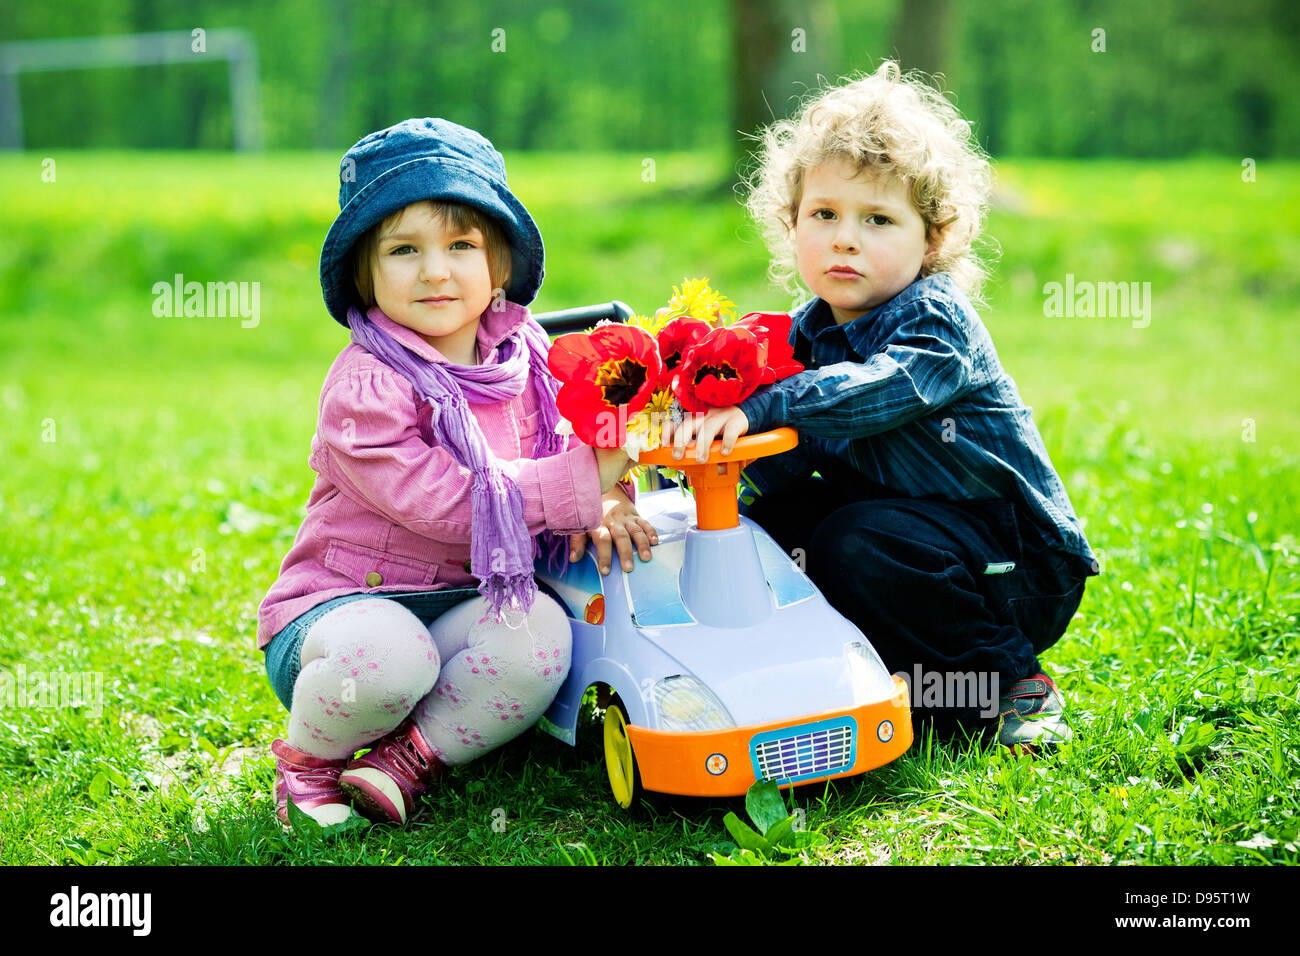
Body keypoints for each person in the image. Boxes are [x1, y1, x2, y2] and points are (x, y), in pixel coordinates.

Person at [668, 62, 1099, 749]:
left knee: (858, 541)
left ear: (932, 239)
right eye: (825, 215)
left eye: (878, 219)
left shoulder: (936, 319)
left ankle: (1010, 682)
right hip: (908, 533)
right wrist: (709, 450)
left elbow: (876, 391)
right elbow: (791, 460)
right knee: (769, 527)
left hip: (1014, 561)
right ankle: (821, 678)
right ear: (792, 224)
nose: (846, 238)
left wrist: (765, 405)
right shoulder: (808, 331)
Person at [257, 118, 656, 829]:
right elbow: (445, 504)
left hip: (465, 606)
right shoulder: (367, 384)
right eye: (404, 250)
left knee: (541, 638)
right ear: (365, 274)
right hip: (346, 615)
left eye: (461, 246)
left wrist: (607, 495)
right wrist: (580, 482)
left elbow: (566, 437)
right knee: (389, 658)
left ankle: (407, 755)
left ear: (498, 266)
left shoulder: (528, 353)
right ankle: (308, 762)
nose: (435, 271)